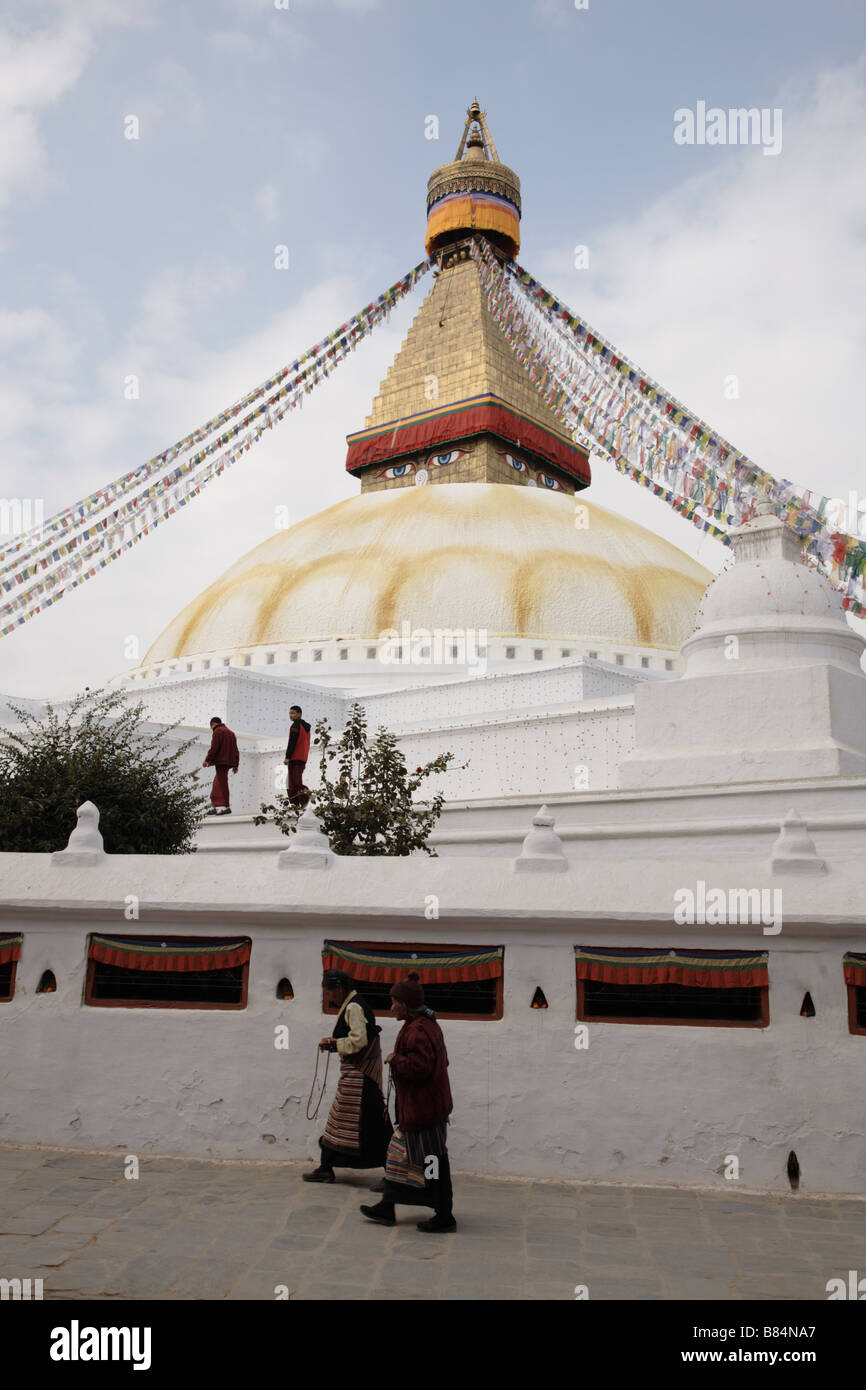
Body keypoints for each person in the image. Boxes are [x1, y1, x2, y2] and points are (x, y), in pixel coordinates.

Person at [360, 972, 456, 1232]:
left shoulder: (419, 1030)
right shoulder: (423, 1024)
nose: (391, 1008)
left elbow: (421, 1067)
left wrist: (396, 1060)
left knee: (433, 1161)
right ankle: (388, 1205)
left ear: (405, 1004)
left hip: (424, 1110)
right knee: (398, 1158)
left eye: (394, 1003)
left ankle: (443, 1214)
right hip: (423, 1108)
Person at [304, 969, 393, 1183]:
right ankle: (327, 1166)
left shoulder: (353, 1006)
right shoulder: (352, 1004)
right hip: (358, 1076)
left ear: (340, 988)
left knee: (370, 1123)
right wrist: (334, 1046)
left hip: (360, 1078)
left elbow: (359, 1040)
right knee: (349, 1121)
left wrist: (335, 1043)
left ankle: (394, 1172)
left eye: (330, 992)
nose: (329, 997)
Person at [203, 716, 239, 816]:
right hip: (229, 762)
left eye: (212, 727)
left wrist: (207, 760)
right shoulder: (231, 733)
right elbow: (236, 750)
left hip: (221, 762)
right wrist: (236, 764)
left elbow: (214, 747)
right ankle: (215, 806)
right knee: (217, 783)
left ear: (213, 724)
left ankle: (225, 807)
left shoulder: (218, 731)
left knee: (221, 784)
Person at [284, 705, 311, 807]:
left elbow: (292, 742)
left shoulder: (296, 726)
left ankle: (301, 800)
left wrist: (287, 757)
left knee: (292, 782)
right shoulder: (306, 726)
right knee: (295, 781)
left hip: (295, 757)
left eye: (293, 713)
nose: (290, 715)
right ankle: (299, 802)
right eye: (290, 713)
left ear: (299, 714)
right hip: (303, 757)